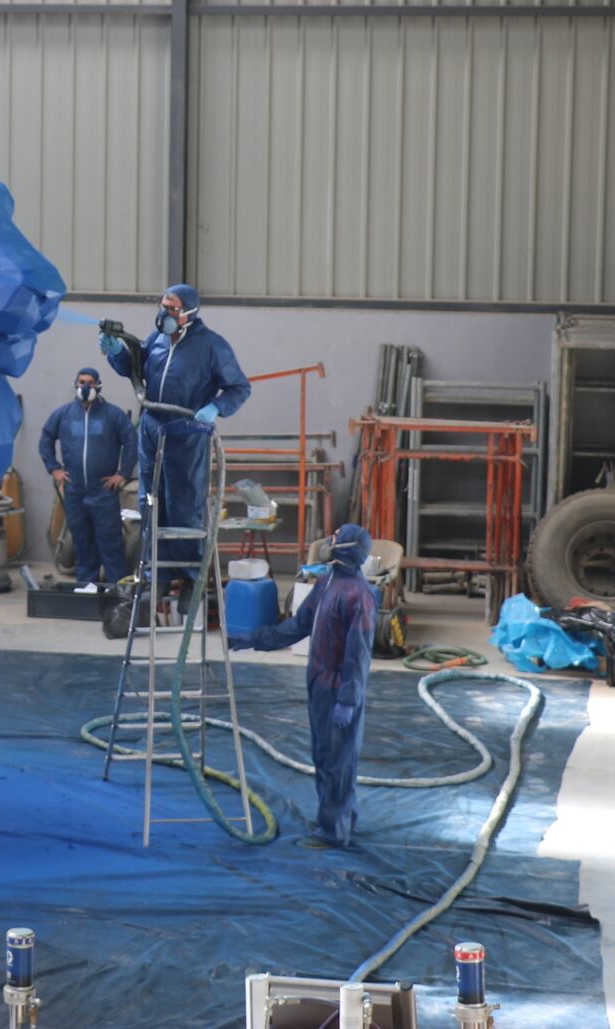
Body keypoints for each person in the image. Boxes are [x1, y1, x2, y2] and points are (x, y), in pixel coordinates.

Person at [229, 524, 376, 850]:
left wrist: (348, 699)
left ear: (346, 548)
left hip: (339, 691)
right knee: (325, 756)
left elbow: (358, 655)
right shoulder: (326, 585)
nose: (328, 541)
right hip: (320, 686)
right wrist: (254, 640)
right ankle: (336, 818)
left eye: (335, 537)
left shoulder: (358, 597)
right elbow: (297, 627)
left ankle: (334, 832)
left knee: (339, 760)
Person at [98, 283, 251, 588]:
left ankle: (190, 578)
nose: (164, 313)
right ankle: (159, 575)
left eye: (172, 309)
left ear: (189, 313)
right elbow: (136, 370)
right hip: (153, 429)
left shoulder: (211, 346)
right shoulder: (156, 339)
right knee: (150, 503)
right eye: (163, 305)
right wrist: (117, 353)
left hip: (187, 433)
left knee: (184, 507)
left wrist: (215, 408)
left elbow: (239, 387)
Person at [37, 368, 136, 594]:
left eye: (90, 382)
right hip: (75, 490)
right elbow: (46, 440)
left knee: (110, 541)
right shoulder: (63, 415)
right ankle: (87, 586)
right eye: (82, 382)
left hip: (103, 490)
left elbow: (131, 441)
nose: (85, 387)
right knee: (82, 541)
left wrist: (122, 474)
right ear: (75, 384)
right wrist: (54, 469)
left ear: (98, 386)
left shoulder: (112, 415)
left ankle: (117, 590)